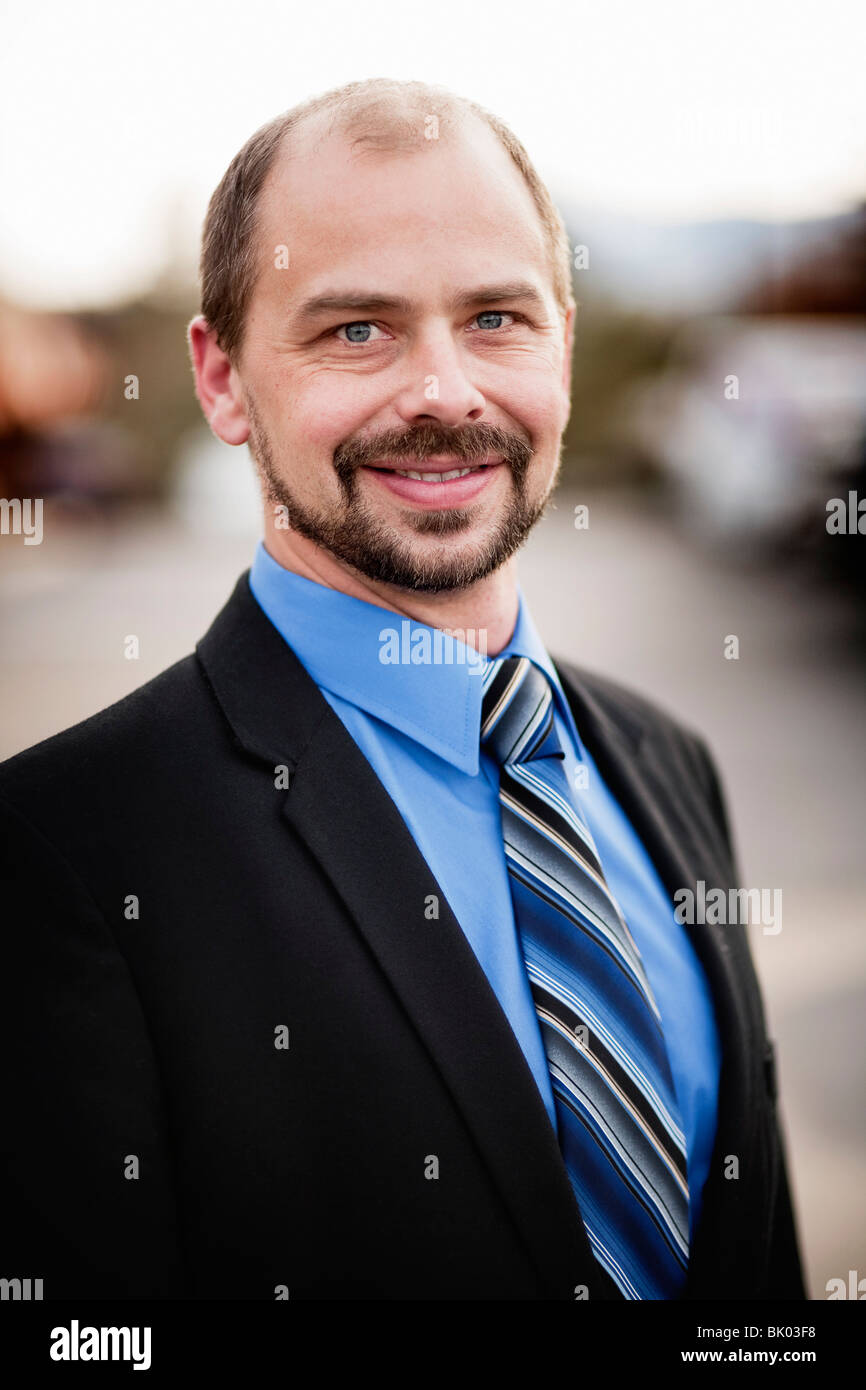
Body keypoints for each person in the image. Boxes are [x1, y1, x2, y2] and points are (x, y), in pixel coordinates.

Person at [0, 78, 806, 1301]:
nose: (443, 391)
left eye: (494, 317)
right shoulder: (56, 853)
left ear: (563, 344)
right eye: (354, 330)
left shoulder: (666, 762)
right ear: (220, 379)